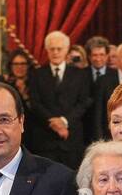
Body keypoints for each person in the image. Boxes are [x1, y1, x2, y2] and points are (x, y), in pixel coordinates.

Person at [23, 31, 93, 169]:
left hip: (71, 140)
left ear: (66, 50)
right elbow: (35, 103)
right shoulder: (36, 74)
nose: (55, 52)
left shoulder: (80, 74)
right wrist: (54, 123)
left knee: (72, 184)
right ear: (47, 50)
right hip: (45, 140)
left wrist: (64, 122)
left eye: (59, 49)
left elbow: (84, 102)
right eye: (52, 49)